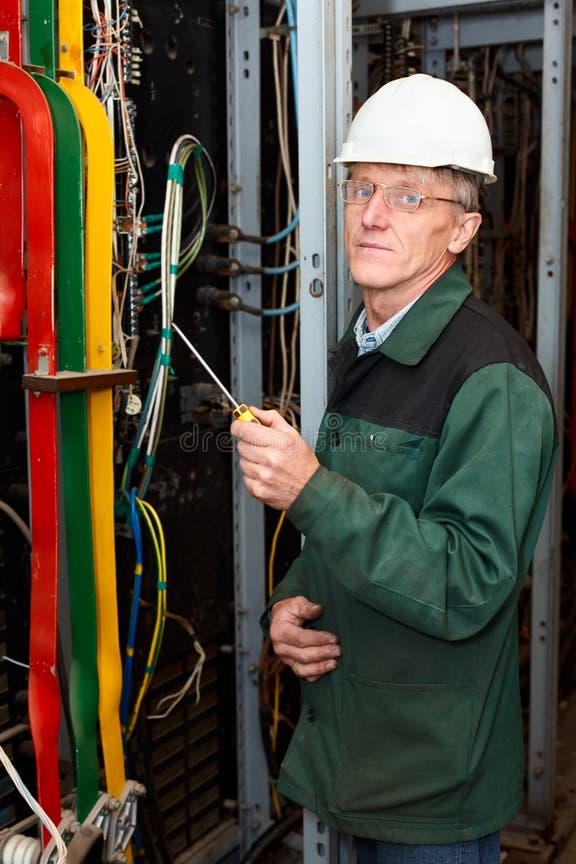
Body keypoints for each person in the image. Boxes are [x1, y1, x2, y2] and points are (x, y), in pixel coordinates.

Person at [231, 73, 558, 864]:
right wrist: (289, 610)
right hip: (356, 751)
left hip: (432, 784)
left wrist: (309, 489)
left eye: (410, 197)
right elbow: (349, 525)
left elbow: (467, 579)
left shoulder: (493, 382)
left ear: (463, 231)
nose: (372, 214)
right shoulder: (366, 346)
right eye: (363, 187)